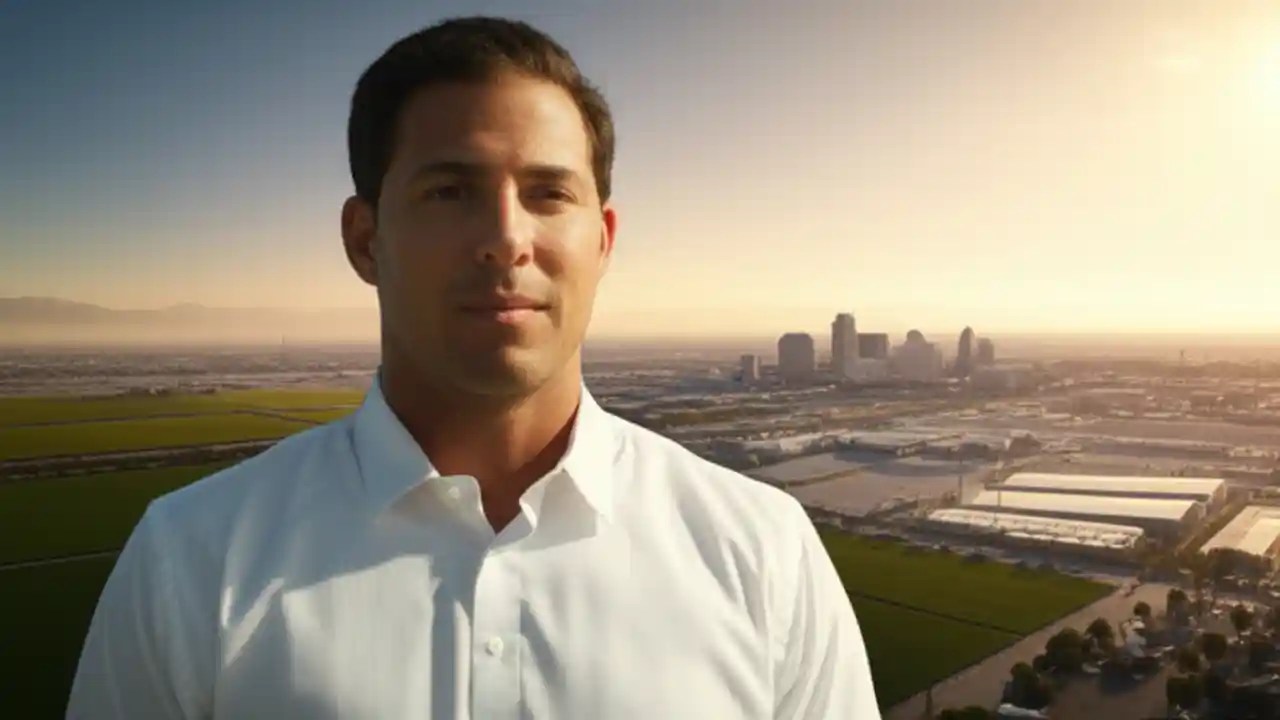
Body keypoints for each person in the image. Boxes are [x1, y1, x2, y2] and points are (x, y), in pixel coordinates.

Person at [67, 16, 881, 719]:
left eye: (547, 193)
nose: (506, 238)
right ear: (364, 240)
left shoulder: (762, 554)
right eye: (451, 191)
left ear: (602, 240)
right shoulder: (194, 558)